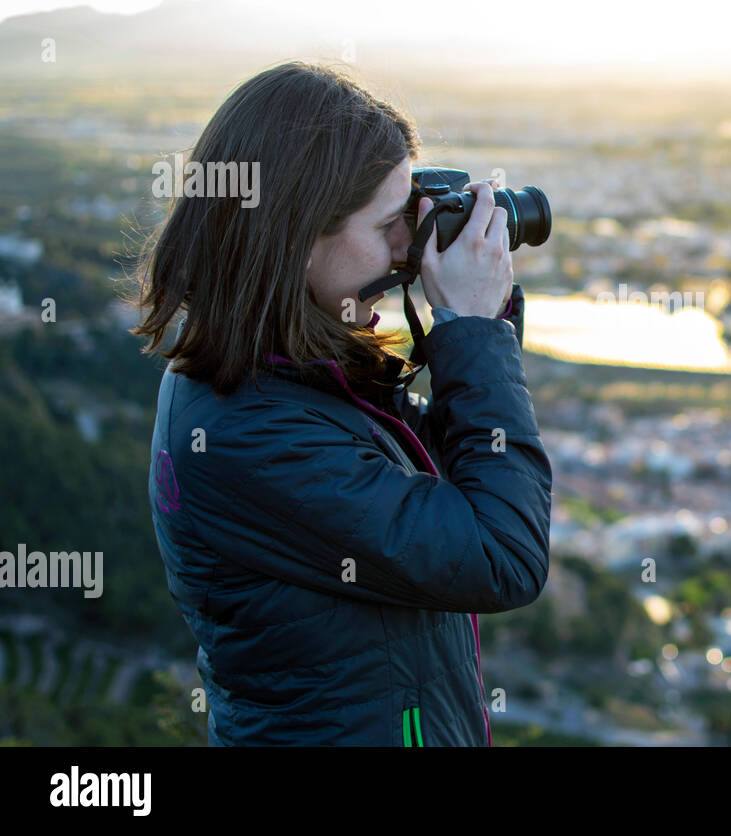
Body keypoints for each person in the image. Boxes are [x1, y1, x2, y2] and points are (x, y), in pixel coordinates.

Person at [130, 61, 551, 745]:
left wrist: (489, 317)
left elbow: (449, 467)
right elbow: (501, 554)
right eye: (390, 223)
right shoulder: (252, 432)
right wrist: (471, 331)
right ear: (295, 235)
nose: (405, 251)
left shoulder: (293, 371)